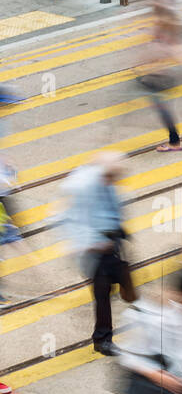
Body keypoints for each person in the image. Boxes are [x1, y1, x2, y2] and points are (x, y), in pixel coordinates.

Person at [63, 152, 134, 356]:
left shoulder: (108, 186)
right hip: (95, 253)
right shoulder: (86, 190)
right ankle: (102, 340)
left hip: (113, 246)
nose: (111, 181)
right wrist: (92, 243)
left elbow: (115, 211)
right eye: (110, 176)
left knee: (125, 290)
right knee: (102, 295)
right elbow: (74, 221)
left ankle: (143, 328)